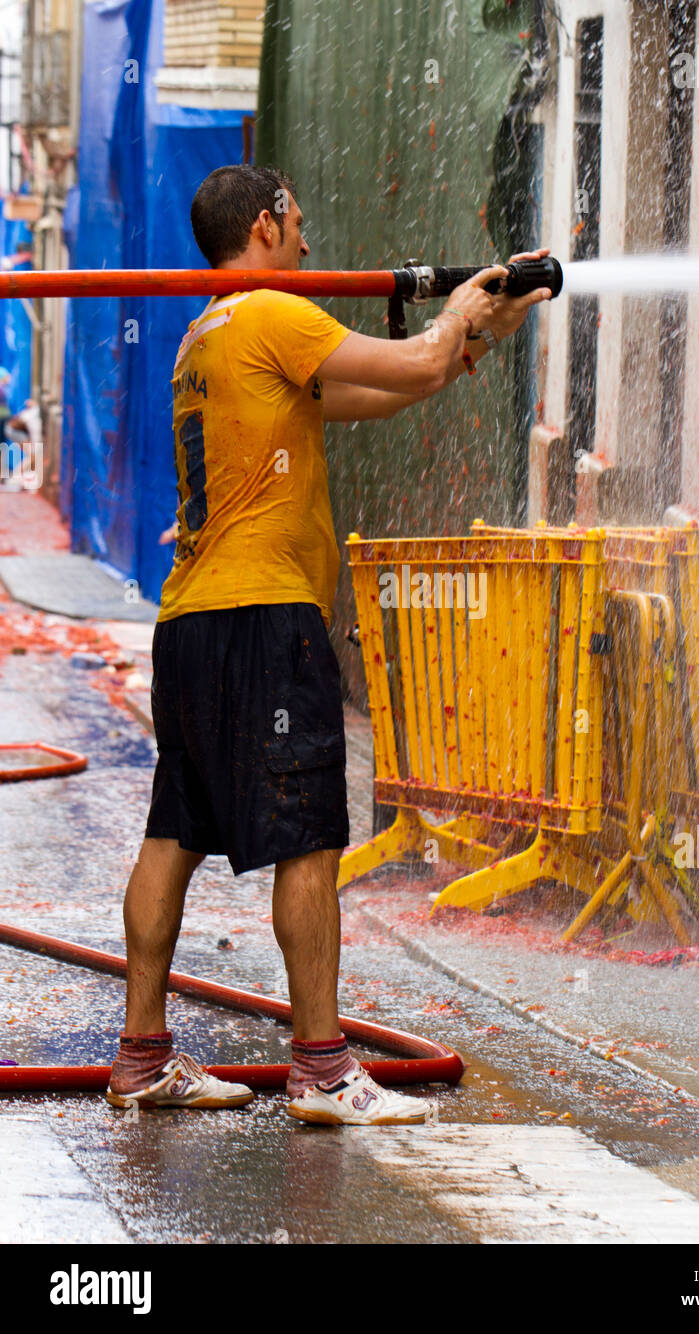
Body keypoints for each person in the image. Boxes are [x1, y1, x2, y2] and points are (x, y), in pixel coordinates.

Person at [107, 164, 551, 1123]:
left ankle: (142, 1055)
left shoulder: (205, 334)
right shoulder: (273, 311)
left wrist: (470, 331)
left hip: (188, 623)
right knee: (308, 835)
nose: (309, 244)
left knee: (173, 833)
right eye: (299, 223)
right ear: (265, 225)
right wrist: (457, 319)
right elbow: (416, 366)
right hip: (266, 619)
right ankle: (322, 1067)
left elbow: (378, 393)